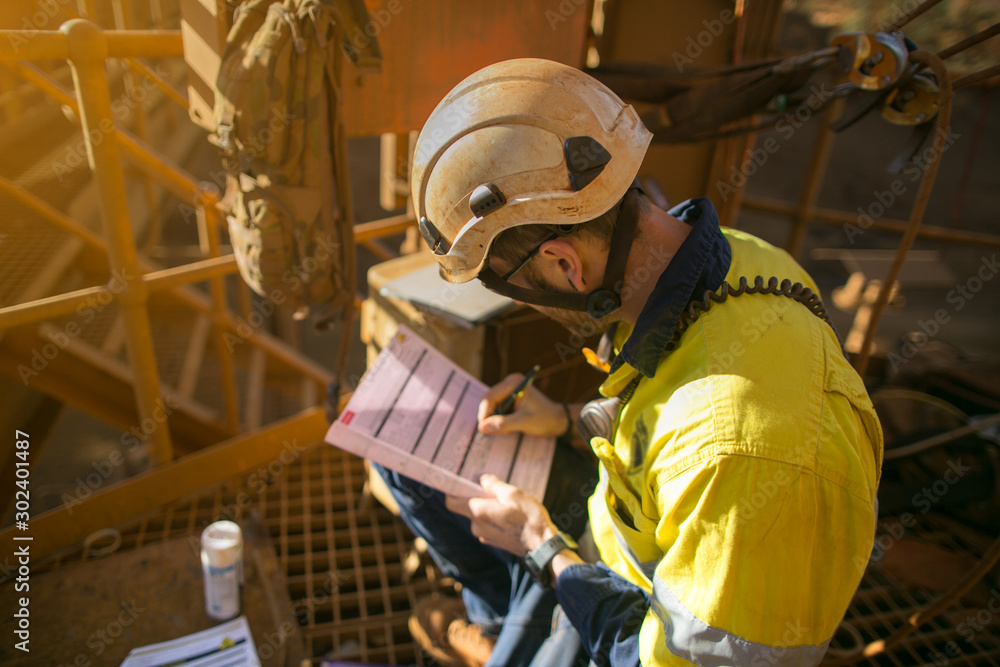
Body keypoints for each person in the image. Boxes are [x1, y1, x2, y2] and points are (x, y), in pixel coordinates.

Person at [375, 58, 882, 666]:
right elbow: (667, 410)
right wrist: (567, 419)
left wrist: (542, 547)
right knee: (406, 463)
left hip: (636, 618)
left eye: (515, 290)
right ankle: (504, 626)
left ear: (566, 265)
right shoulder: (743, 259)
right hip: (618, 537)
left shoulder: (740, 457)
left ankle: (511, 633)